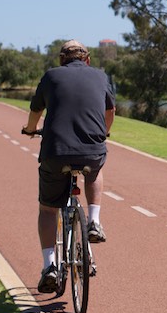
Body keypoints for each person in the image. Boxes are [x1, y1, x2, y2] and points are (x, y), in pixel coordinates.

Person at [23, 40, 115, 294]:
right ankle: (94, 221)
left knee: (48, 209)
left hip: (56, 152)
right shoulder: (99, 76)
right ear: (87, 59)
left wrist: (30, 130)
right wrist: (103, 133)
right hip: (92, 149)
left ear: (62, 60)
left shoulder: (51, 76)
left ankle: (49, 266)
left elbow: (36, 109)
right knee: (94, 169)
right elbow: (111, 109)